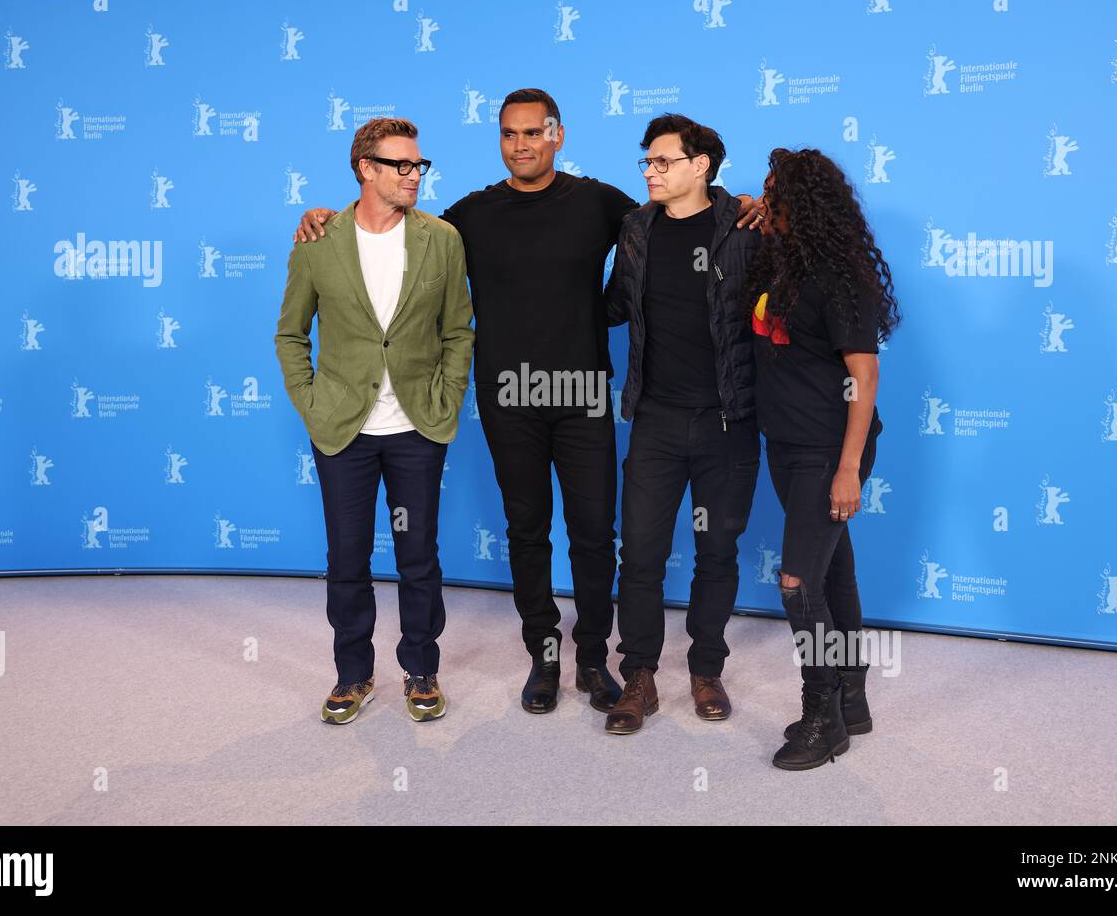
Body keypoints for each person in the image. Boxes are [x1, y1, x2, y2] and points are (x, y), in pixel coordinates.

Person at [293, 90, 764, 717]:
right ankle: (544, 659)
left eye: (534, 132)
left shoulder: (605, 205)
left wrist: (746, 208)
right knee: (527, 532)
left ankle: (593, 659)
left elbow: (681, 211)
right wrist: (325, 215)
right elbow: (394, 221)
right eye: (509, 134)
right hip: (509, 399)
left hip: (585, 397)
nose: (521, 144)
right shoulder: (471, 215)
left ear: (558, 136)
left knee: (595, 536)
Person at [275, 117, 474, 725]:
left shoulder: (442, 238)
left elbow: (458, 330)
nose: (415, 176)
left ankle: (421, 669)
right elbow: (291, 334)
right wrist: (314, 405)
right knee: (347, 557)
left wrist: (446, 398)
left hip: (418, 426)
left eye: (419, 166)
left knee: (419, 557)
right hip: (344, 430)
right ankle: (352, 675)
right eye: (402, 166)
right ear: (367, 169)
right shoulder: (319, 240)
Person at [601, 114, 763, 734]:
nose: (649, 171)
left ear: (702, 165)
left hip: (728, 420)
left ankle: (705, 668)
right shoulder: (636, 229)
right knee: (639, 552)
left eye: (662, 161)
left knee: (716, 551)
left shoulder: (745, 228)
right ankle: (639, 676)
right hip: (655, 419)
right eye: (646, 161)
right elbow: (616, 305)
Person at [747, 147, 901, 769]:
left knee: (798, 584)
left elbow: (864, 375)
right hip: (785, 444)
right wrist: (748, 209)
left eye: (774, 193)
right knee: (834, 573)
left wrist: (847, 467)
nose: (767, 200)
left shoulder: (838, 278)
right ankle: (852, 698)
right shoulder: (783, 266)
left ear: (801, 204)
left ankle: (821, 717)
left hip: (827, 451)